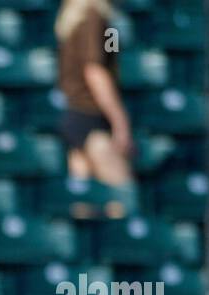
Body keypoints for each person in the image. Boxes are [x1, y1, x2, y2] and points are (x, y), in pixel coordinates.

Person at [56, 0, 135, 217]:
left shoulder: (75, 18)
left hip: (75, 117)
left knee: (85, 206)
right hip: (91, 116)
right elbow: (95, 71)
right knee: (122, 197)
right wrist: (120, 120)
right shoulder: (94, 17)